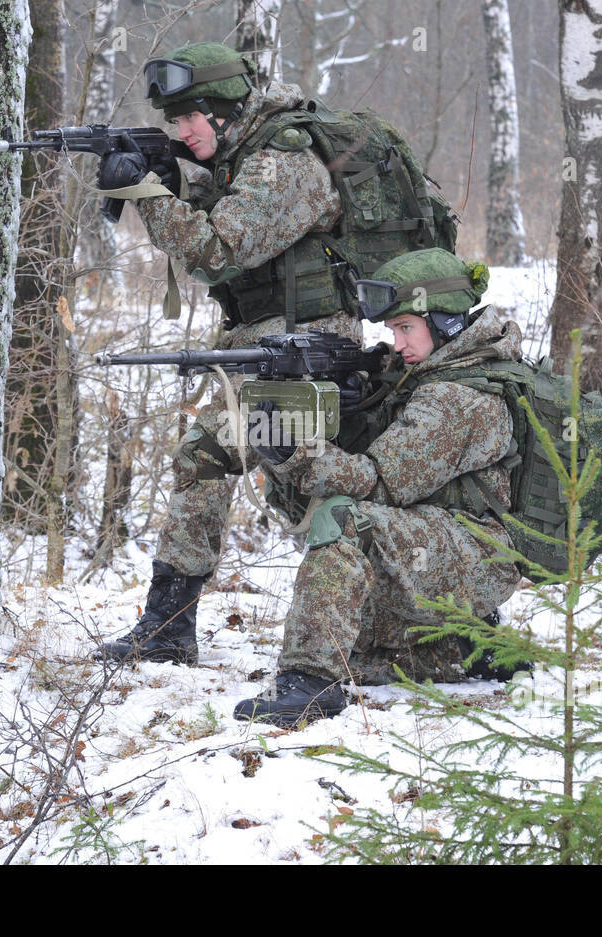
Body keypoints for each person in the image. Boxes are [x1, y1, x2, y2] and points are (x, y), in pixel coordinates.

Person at [94, 42, 364, 666]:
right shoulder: (238, 160)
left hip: (308, 354)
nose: (182, 132)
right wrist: (161, 182)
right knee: (211, 458)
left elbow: (217, 251)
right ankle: (167, 626)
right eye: (174, 121)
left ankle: (408, 625)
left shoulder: (283, 162)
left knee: (306, 485)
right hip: (262, 353)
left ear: (225, 110)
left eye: (191, 118)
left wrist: (146, 193)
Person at [232, 248, 527, 727]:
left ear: (447, 321)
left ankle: (309, 683)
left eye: (406, 327)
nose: (397, 342)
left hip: (478, 554)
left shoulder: (460, 398)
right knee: (362, 652)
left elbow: (379, 481)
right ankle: (468, 646)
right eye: (392, 330)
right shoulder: (429, 373)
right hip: (443, 542)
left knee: (346, 522)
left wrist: (297, 453)